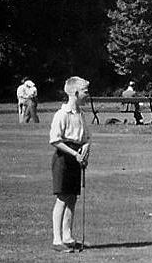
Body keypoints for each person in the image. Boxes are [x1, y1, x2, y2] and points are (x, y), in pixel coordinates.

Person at [49, 76, 91, 253]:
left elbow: (86, 138)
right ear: (75, 93)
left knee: (72, 198)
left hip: (77, 158)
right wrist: (75, 154)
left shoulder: (81, 115)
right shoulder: (61, 114)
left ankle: (68, 237)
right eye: (85, 91)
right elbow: (55, 140)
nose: (88, 95)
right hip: (63, 158)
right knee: (62, 198)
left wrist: (85, 151)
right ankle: (57, 240)